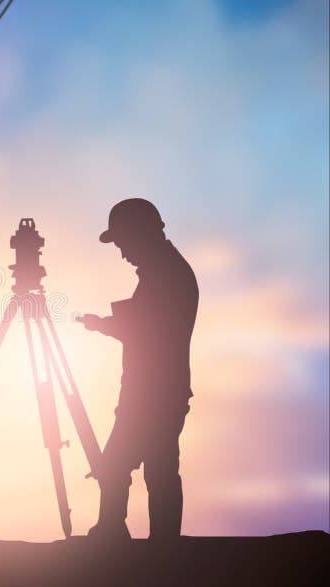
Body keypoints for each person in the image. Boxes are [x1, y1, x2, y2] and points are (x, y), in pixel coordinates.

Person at [78, 198, 198, 541]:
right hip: (151, 392)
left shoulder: (167, 274)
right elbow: (148, 325)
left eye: (122, 242)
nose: (122, 252)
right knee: (144, 467)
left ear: (141, 233)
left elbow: (149, 330)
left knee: (132, 467)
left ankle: (137, 540)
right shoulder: (165, 271)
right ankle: (134, 536)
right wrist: (106, 324)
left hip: (153, 395)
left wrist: (103, 325)